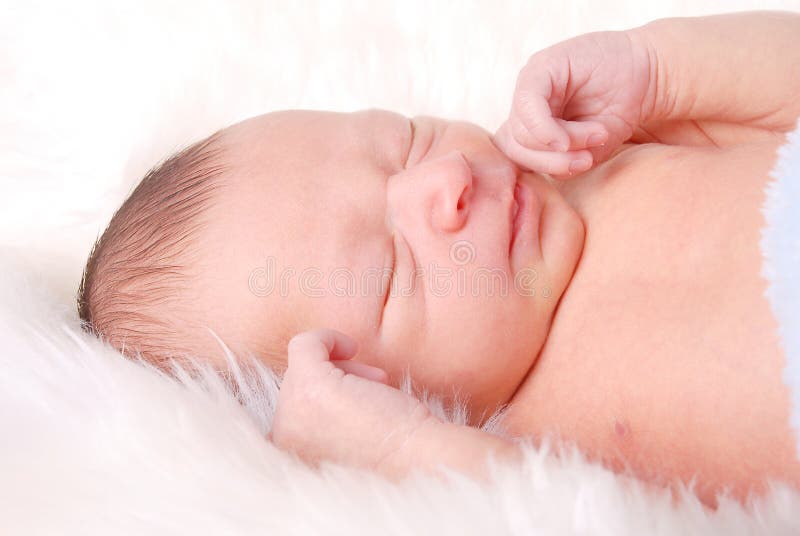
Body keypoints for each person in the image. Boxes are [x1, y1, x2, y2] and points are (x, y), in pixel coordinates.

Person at [77, 11, 800, 504]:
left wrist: (658, 65)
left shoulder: (597, 156)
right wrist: (400, 449)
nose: (445, 181)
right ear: (369, 386)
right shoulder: (525, 446)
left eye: (407, 140)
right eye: (391, 273)